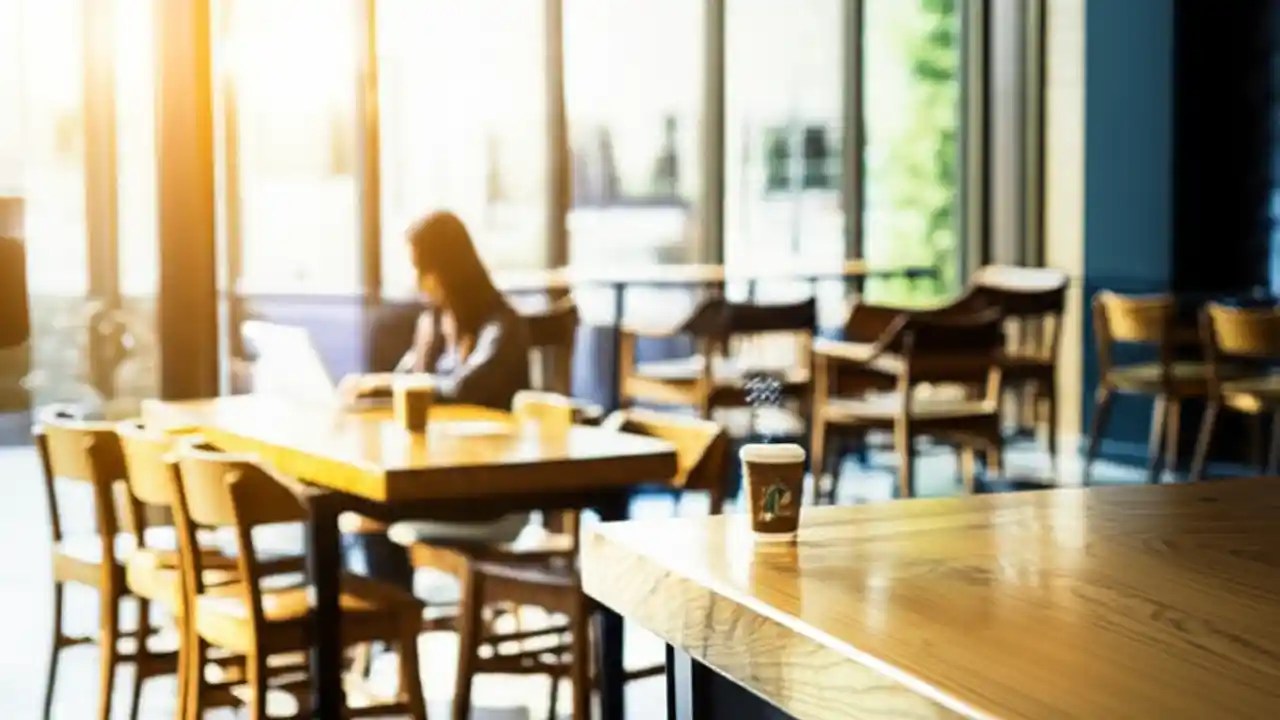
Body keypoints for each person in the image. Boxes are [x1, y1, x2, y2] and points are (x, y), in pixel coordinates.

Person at [339, 211, 532, 588]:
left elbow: (463, 389)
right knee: (351, 508)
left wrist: (383, 385)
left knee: (365, 515)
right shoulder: (436, 324)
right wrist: (371, 387)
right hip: (439, 481)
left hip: (489, 492)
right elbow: (405, 379)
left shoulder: (502, 325)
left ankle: (395, 630)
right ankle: (387, 629)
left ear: (447, 268)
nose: (417, 282)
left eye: (421, 268)